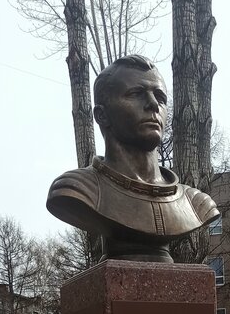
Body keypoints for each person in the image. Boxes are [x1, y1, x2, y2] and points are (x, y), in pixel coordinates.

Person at [46, 55, 218, 262]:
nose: (154, 104)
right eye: (136, 93)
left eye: (161, 97)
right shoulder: (78, 190)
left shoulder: (196, 204)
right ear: (102, 115)